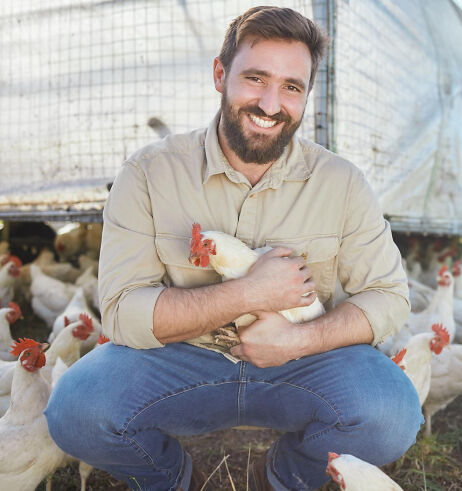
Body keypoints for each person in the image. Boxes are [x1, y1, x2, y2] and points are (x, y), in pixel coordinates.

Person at [45, 6, 422, 491]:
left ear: (306, 95)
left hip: (303, 362)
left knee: (391, 415)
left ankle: (283, 479)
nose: (271, 103)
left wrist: (299, 341)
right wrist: (249, 294)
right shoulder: (148, 174)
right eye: (255, 78)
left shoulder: (342, 183)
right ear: (220, 74)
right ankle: (176, 478)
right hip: (181, 358)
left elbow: (389, 297)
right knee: (77, 411)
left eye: (291, 86)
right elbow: (121, 311)